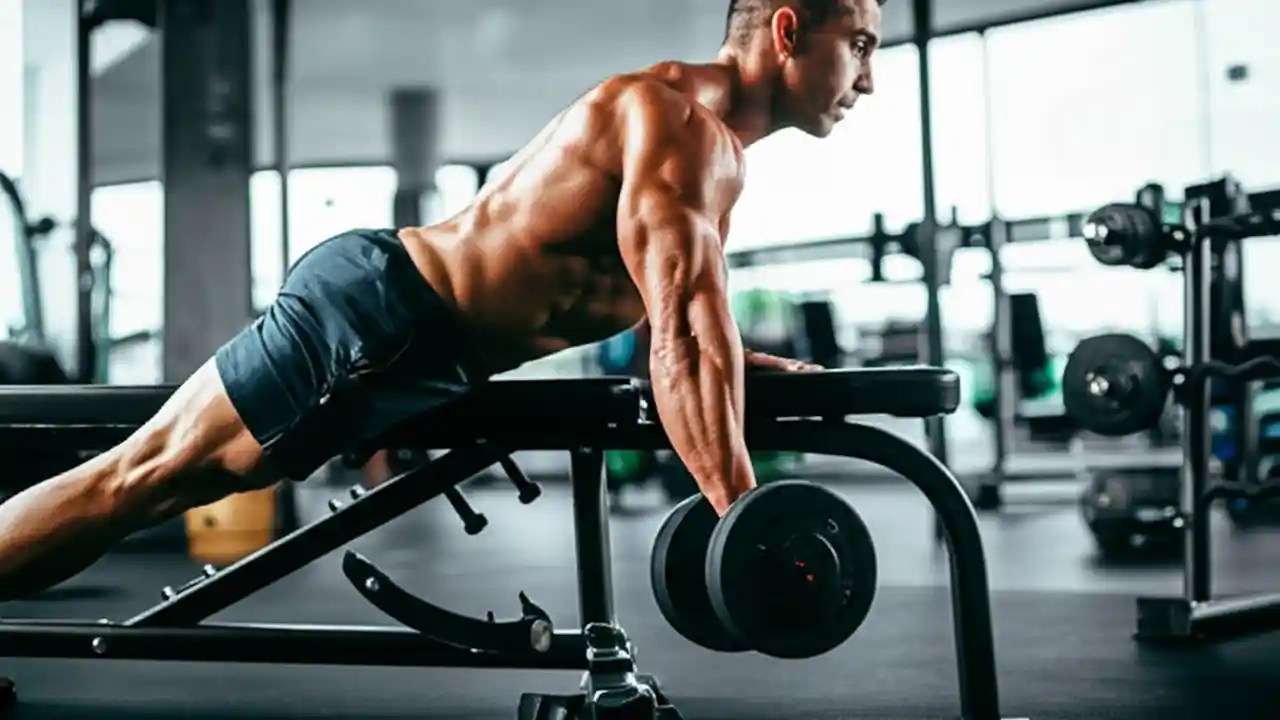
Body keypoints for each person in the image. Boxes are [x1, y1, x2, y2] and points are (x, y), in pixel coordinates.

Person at [0, 0, 883, 600]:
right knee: (133, 480)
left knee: (143, 492)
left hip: (413, 347)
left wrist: (727, 354)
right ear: (786, 31)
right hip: (381, 318)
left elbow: (677, 315)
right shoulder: (681, 125)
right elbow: (682, 340)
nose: (868, 78)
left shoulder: (710, 153)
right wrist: (748, 523)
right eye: (862, 44)